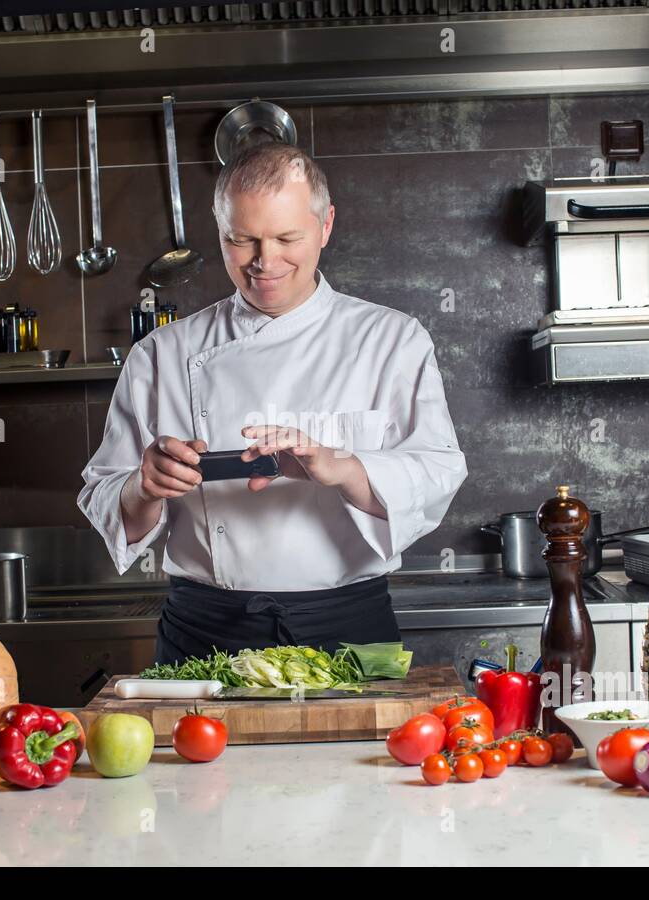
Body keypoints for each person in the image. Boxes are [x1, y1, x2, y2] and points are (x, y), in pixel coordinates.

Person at [78, 142, 468, 664]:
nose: (266, 261)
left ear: (325, 225)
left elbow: (439, 471)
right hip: (204, 627)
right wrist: (143, 486)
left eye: (288, 238)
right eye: (244, 240)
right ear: (221, 235)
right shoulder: (160, 354)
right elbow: (107, 499)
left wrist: (342, 467)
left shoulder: (391, 340)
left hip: (347, 623)